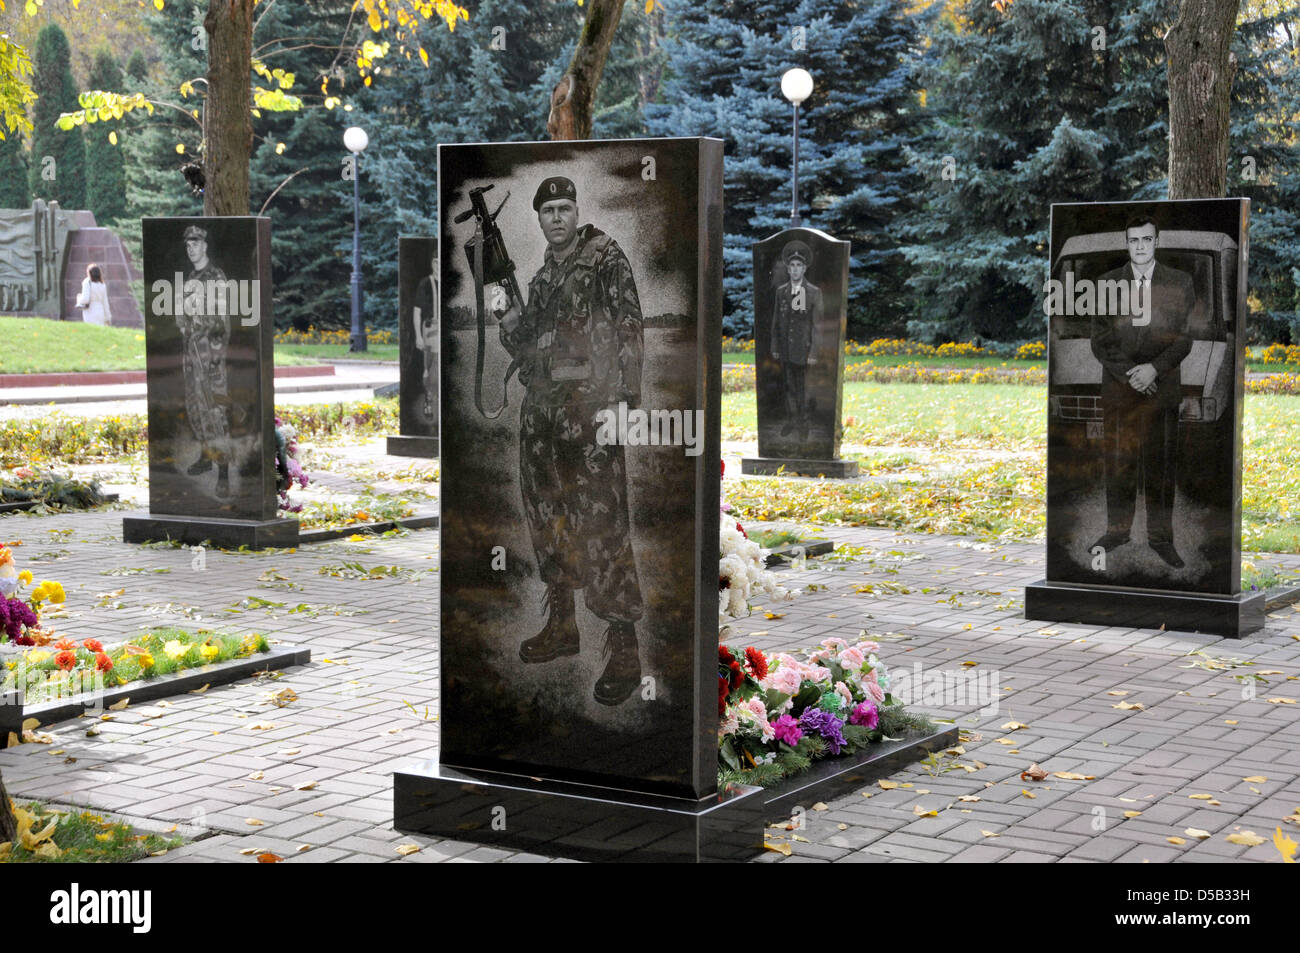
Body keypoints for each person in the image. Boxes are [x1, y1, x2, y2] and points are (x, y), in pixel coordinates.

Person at [494, 175, 646, 706]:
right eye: (548, 210)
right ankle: (563, 626)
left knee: (603, 523)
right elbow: (523, 342)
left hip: (591, 414)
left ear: (576, 211)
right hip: (543, 417)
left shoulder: (604, 256)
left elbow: (629, 324)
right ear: (538, 219)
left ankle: (624, 649)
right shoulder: (541, 278)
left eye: (564, 207)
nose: (556, 217)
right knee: (549, 517)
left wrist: (626, 401)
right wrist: (502, 306)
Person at [1089, 214, 1194, 569]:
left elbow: (1183, 340)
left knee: (1161, 470)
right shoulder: (1106, 284)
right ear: (1127, 243)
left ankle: (1162, 541)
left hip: (1161, 391)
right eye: (1134, 240)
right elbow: (1100, 342)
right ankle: (1116, 533)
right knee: (1119, 466)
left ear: (1156, 242)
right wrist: (1130, 375)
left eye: (1146, 240)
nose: (1140, 246)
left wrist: (1153, 370)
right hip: (1120, 392)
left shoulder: (1179, 283)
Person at [177, 225, 233, 499]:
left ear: (205, 246)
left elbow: (223, 322)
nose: (192, 248)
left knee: (214, 409)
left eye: (196, 243)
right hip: (191, 354)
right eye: (188, 245)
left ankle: (223, 470)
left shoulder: (216, 277)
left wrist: (214, 356)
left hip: (209, 355)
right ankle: (205, 455)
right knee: (196, 407)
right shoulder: (191, 277)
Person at [770, 240, 821, 437]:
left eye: (799, 265)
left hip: (804, 348)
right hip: (785, 348)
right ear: (788, 268)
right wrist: (775, 345)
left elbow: (817, 325)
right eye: (791, 265)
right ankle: (792, 419)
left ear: (805, 268)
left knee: (803, 388)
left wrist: (814, 351)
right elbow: (776, 320)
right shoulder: (782, 291)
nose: (795, 269)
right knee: (788, 386)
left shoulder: (813, 292)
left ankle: (804, 424)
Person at [411, 254, 439, 425]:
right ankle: (429, 398)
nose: (438, 265)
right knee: (430, 367)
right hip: (431, 330)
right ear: (433, 263)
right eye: (436, 262)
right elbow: (417, 312)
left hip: (445, 331)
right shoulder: (425, 284)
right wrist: (418, 336)